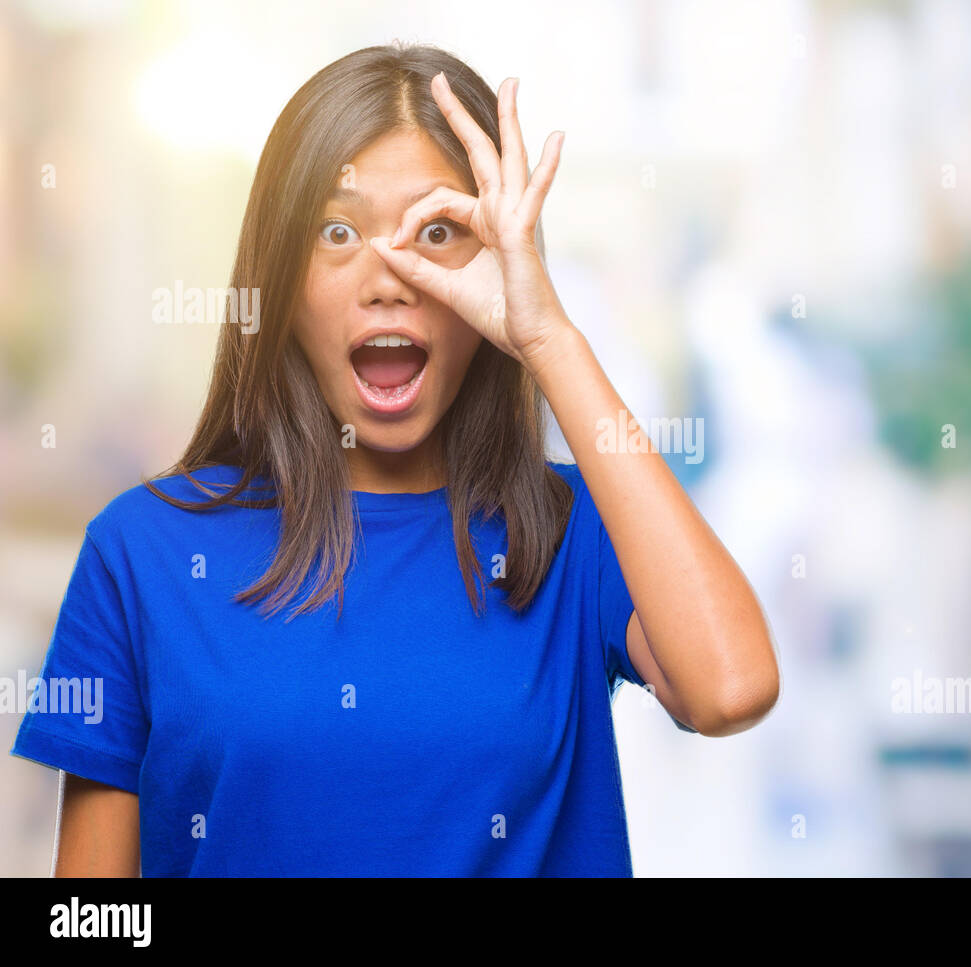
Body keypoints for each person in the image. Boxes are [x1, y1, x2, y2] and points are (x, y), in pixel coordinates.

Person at [9, 42, 780, 877]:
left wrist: (549, 338)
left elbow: (730, 687)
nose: (389, 278)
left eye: (438, 232)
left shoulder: (576, 536)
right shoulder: (138, 552)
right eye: (338, 231)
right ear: (279, 281)